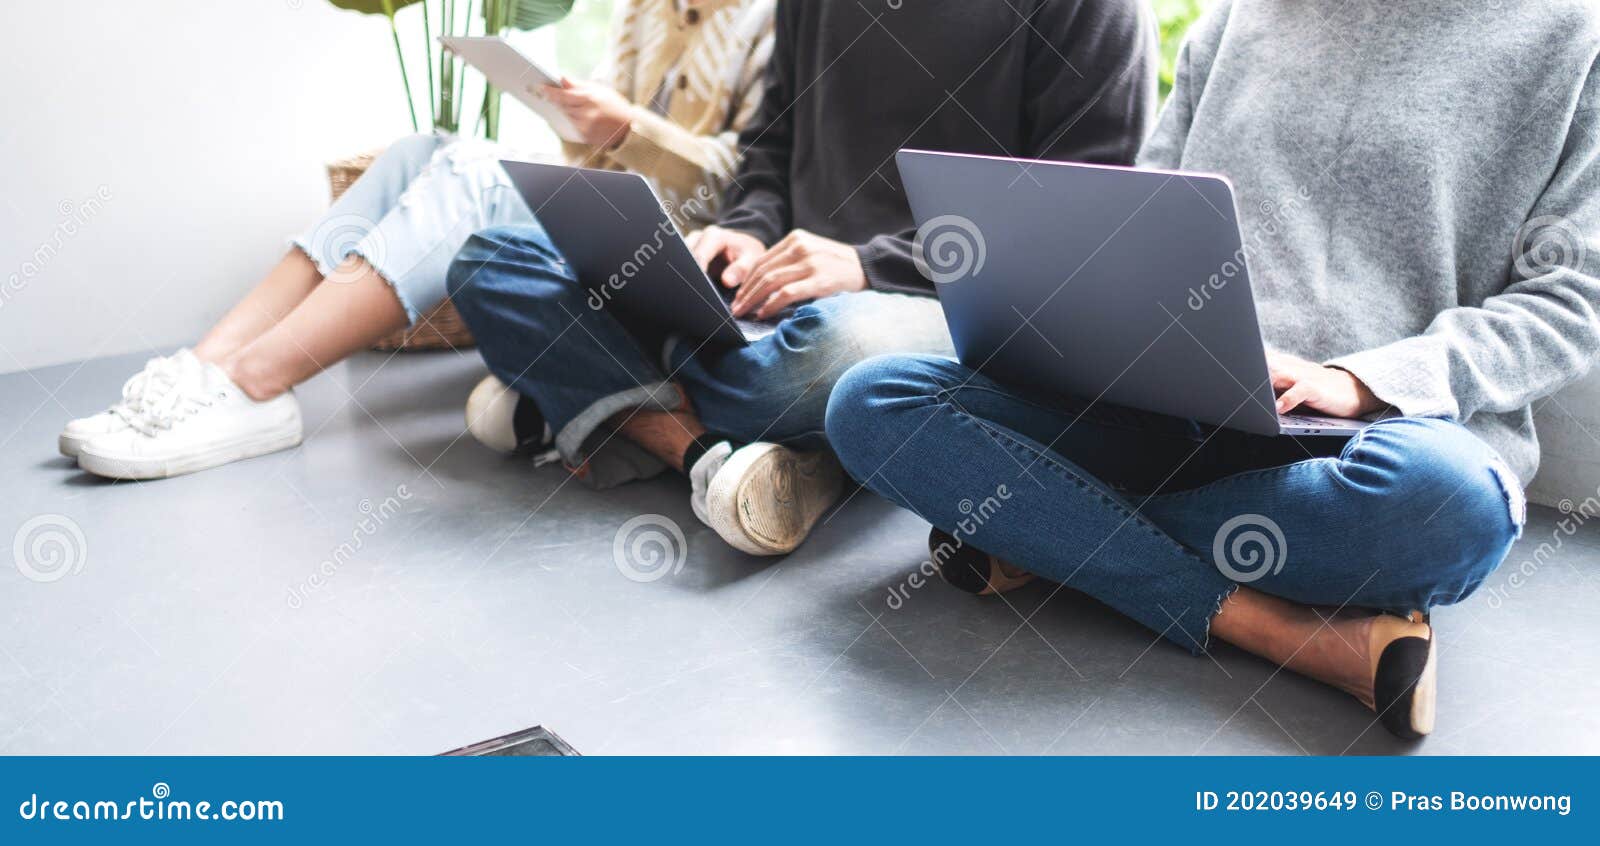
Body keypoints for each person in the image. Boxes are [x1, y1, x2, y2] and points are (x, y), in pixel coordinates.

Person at [824, 0, 1600, 738]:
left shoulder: (1573, 37)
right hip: (1168, 408)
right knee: (874, 403)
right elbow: (1144, 215)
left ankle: (1054, 532)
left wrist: (1364, 380)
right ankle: (1270, 627)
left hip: (1365, 443)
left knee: (1456, 507)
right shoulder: (1238, 14)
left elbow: (1571, 300)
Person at [450, 0, 1157, 555]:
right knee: (492, 259)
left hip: (918, 301)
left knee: (840, 363)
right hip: (770, 287)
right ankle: (709, 448)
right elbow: (770, 144)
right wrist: (744, 228)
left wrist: (868, 264)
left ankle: (611, 393)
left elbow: (1073, 219)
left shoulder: (1096, 9)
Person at [62, 0, 777, 480]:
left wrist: (626, 128)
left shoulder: (776, 19)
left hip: (682, 246)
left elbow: (751, 189)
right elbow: (591, 157)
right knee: (418, 150)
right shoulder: (646, 8)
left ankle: (258, 385)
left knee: (469, 175)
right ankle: (206, 368)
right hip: (608, 217)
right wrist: (578, 118)